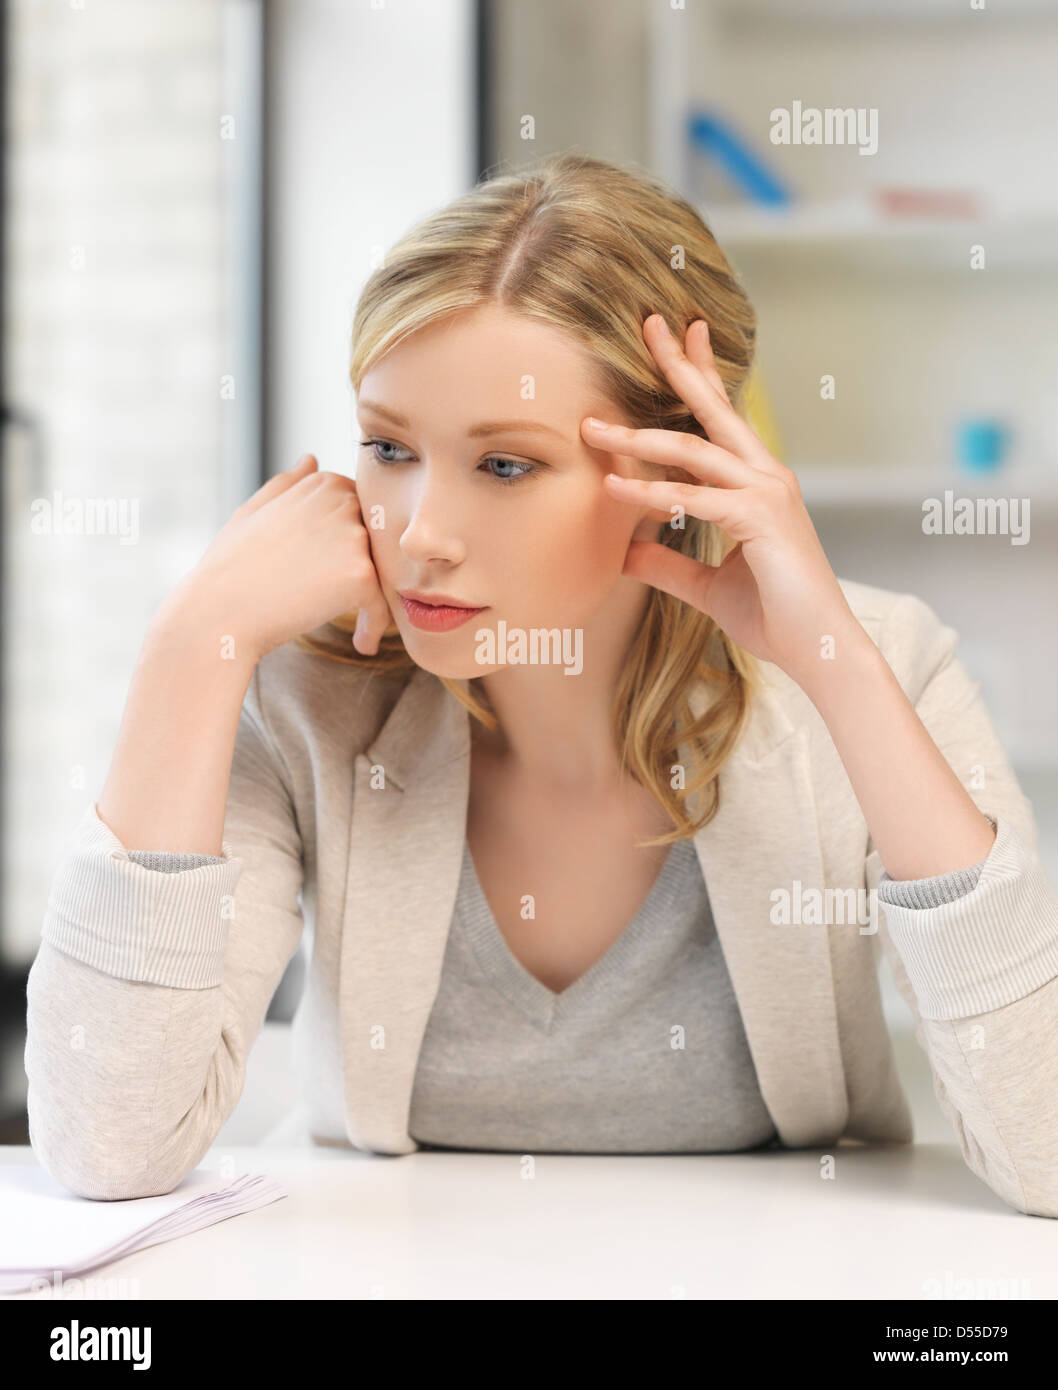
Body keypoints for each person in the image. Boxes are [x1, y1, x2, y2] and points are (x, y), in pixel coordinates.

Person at [24, 153, 1058, 1215]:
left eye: (504, 465)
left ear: (672, 474)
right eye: (387, 446)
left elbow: (1048, 1150)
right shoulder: (305, 695)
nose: (421, 534)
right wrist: (188, 647)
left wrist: (838, 673)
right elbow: (108, 1144)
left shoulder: (883, 660)